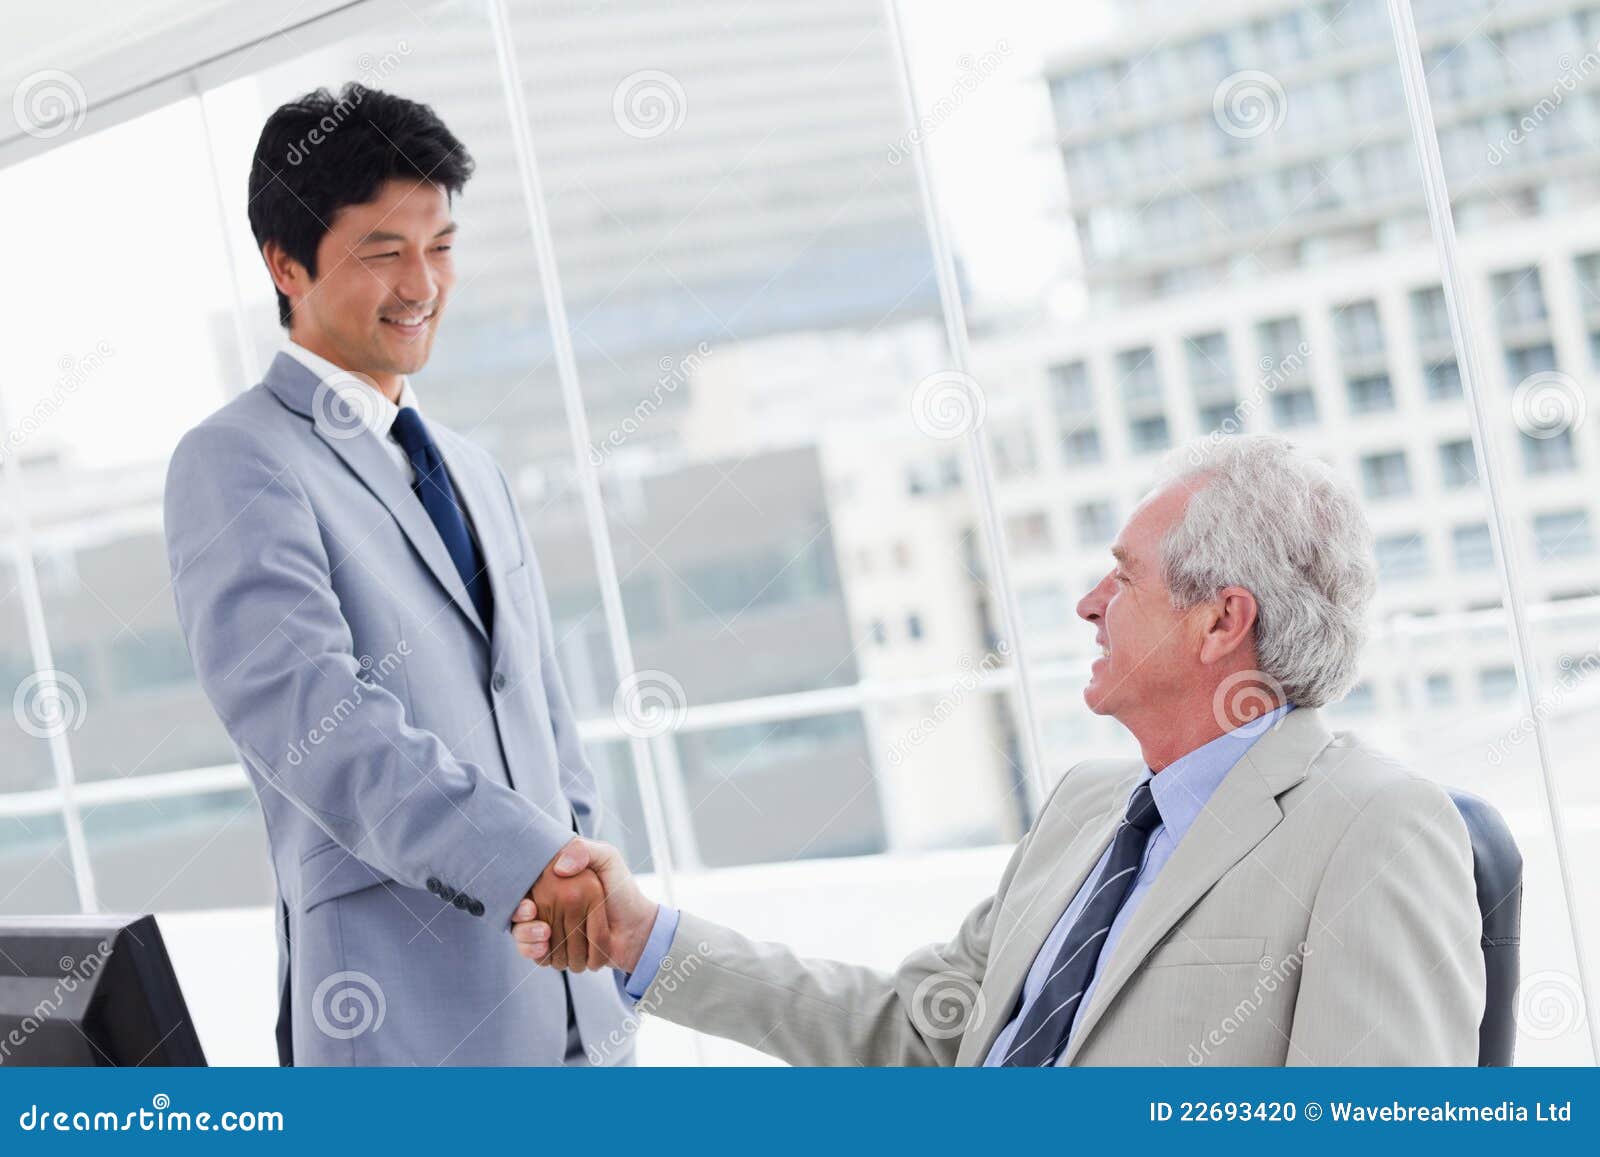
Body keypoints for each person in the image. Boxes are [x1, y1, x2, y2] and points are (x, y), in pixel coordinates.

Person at [513, 435, 1487, 1065]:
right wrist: (643, 937)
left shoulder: (1373, 827)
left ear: (1220, 621)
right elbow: (917, 1030)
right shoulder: (1086, 809)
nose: (1090, 604)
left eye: (1124, 578)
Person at [164, 83, 618, 1065]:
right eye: (383, 253)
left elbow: (545, 720)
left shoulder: (472, 465)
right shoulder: (235, 461)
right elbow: (322, 729)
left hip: (576, 1009)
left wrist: (585, 886)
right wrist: (533, 863)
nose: (422, 285)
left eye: (440, 246)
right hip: (402, 1023)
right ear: (286, 264)